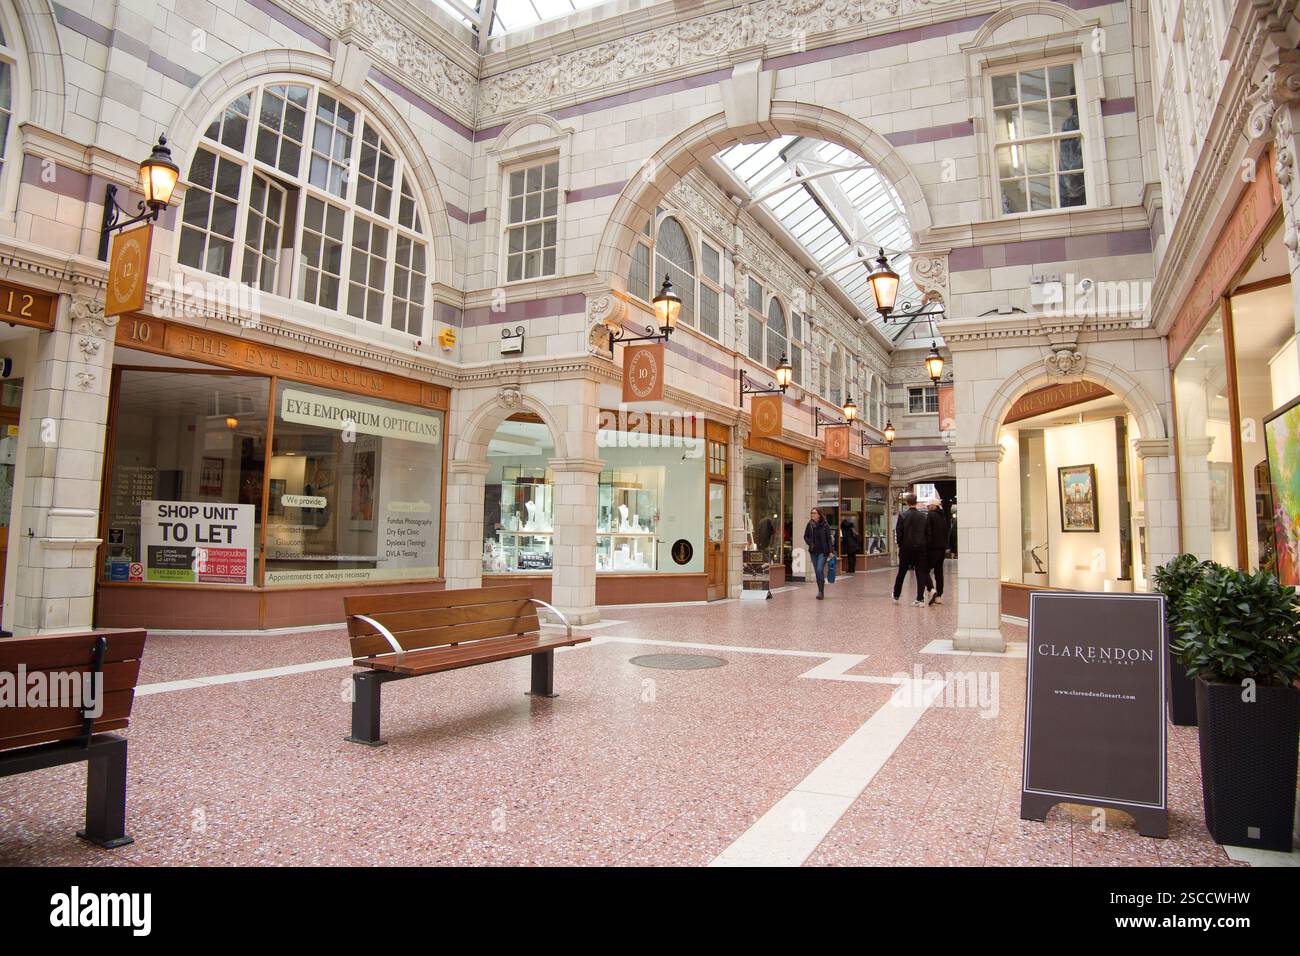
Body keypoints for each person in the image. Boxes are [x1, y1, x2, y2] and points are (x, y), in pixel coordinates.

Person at [892, 493, 929, 606]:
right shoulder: (923, 516)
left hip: (906, 548)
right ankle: (920, 599)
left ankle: (896, 595)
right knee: (920, 572)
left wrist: (900, 545)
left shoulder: (902, 515)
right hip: (920, 547)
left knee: (901, 572)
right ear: (916, 502)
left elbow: (899, 532)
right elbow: (927, 533)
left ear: (907, 503)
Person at [923, 497, 950, 605]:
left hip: (932, 549)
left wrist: (926, 546)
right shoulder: (943, 516)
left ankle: (931, 589)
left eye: (929, 505)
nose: (927, 507)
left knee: (923, 570)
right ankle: (939, 596)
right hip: (941, 549)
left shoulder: (931, 515)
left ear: (934, 506)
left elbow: (928, 532)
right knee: (939, 572)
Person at [803, 507, 833, 599]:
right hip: (813, 552)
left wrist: (830, 551)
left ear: (819, 515)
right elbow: (805, 536)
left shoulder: (825, 525)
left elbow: (829, 539)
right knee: (817, 572)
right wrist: (810, 543)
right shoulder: (810, 524)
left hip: (823, 552)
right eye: (811, 513)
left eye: (814, 513)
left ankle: (820, 592)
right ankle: (820, 591)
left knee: (820, 569)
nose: (812, 514)